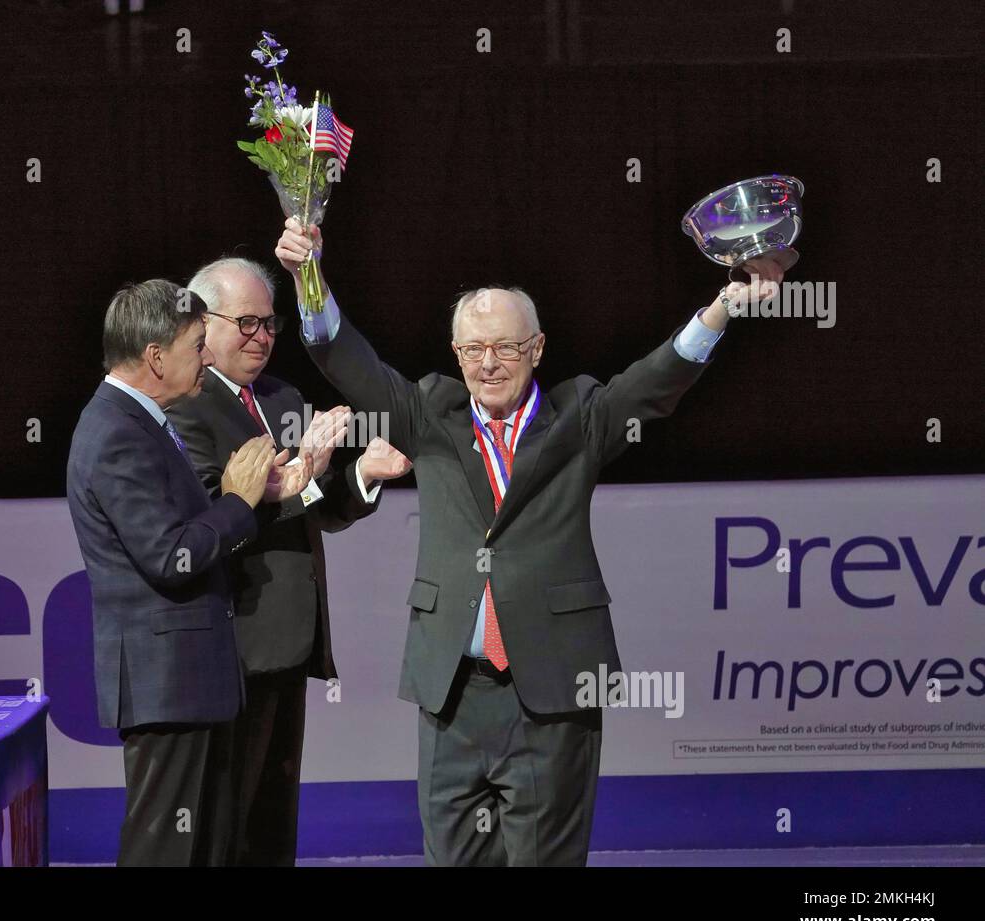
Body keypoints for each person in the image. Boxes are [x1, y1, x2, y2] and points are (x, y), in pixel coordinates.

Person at [275, 218, 786, 866]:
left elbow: (657, 382)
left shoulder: (582, 418)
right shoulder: (429, 412)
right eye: (473, 349)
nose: (488, 363)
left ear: (538, 349)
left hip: (551, 693)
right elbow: (342, 356)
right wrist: (307, 275)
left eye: (507, 348)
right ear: (456, 354)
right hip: (451, 692)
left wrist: (722, 308)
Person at [166, 257, 411, 865]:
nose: (261, 337)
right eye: (246, 322)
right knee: (224, 816)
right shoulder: (183, 408)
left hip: (290, 640)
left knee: (272, 818)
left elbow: (315, 505)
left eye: (270, 324)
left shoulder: (281, 396)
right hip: (230, 643)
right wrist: (301, 473)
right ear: (201, 322)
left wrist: (359, 472)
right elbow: (210, 522)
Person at [66, 278, 312, 866]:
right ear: (155, 357)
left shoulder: (145, 420)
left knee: (207, 848)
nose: (207, 356)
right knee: (168, 852)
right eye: (197, 343)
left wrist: (265, 495)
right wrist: (238, 502)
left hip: (191, 683)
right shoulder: (117, 434)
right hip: (167, 685)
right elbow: (169, 557)